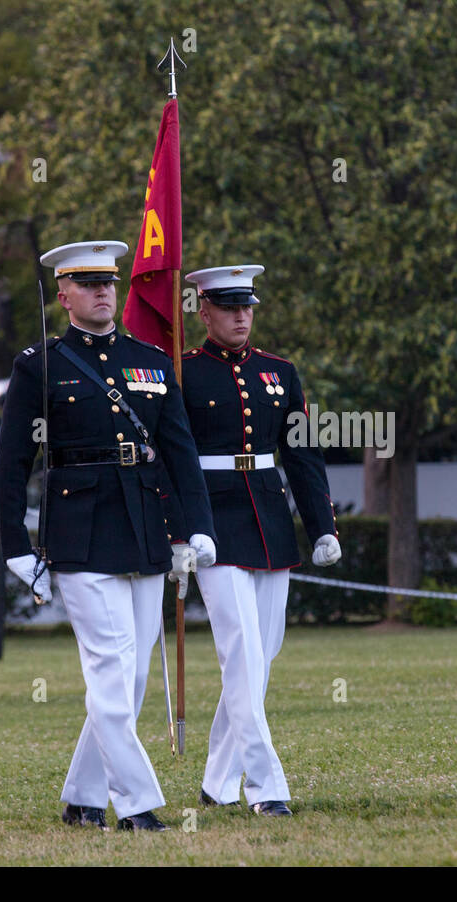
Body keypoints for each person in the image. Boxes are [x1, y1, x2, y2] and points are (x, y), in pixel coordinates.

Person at [0, 240, 217, 833]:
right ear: (63, 295)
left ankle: (82, 797)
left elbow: (180, 453)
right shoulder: (38, 364)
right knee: (111, 676)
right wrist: (15, 545)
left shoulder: (148, 359)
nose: (101, 293)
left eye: (108, 283)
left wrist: (196, 527)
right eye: (87, 284)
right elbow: (12, 462)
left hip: (145, 528)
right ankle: (138, 804)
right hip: (81, 532)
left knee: (133, 678)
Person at [179, 264, 341, 817]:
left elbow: (301, 453)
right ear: (203, 311)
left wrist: (321, 525)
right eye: (228, 307)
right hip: (214, 524)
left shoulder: (280, 372)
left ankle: (217, 783)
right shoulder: (183, 374)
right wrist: (180, 530)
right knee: (243, 654)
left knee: (260, 659)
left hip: (270, 520)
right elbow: (174, 460)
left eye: (247, 306)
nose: (241, 316)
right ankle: (266, 786)